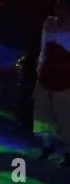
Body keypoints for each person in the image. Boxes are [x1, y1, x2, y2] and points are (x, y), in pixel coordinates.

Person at [34, 0, 70, 164]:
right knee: (42, 114)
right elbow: (43, 49)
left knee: (65, 116)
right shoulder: (49, 23)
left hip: (64, 78)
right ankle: (47, 147)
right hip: (46, 75)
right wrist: (40, 69)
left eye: (63, 7)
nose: (59, 10)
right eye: (57, 6)